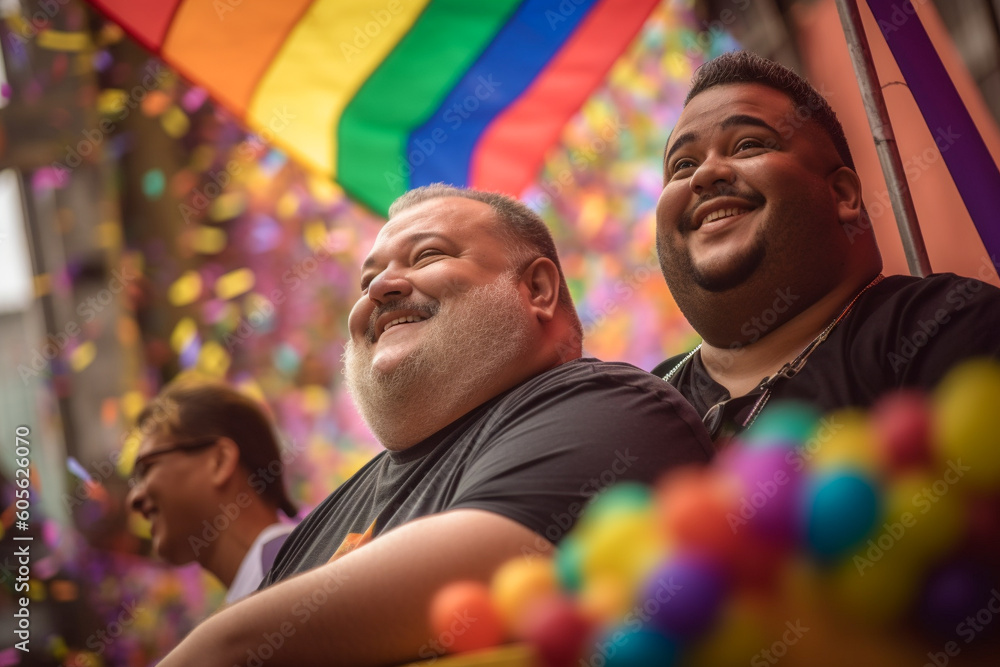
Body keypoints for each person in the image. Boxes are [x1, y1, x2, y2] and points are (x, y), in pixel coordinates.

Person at [154, 185, 713, 666]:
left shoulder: (613, 408)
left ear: (536, 291)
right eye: (368, 278)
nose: (380, 288)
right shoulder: (324, 520)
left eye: (425, 256)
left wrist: (215, 647)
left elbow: (491, 565)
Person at [652, 50, 1000, 440]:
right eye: (682, 165)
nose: (705, 174)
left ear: (843, 195)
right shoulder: (634, 411)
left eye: (748, 144)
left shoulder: (946, 326)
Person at [126, 379, 298, 603]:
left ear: (220, 461)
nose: (134, 499)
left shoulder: (290, 575)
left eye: (147, 467)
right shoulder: (278, 574)